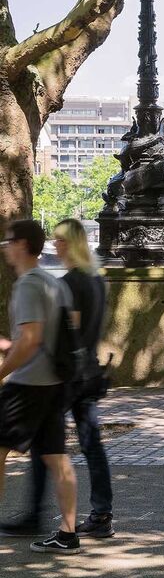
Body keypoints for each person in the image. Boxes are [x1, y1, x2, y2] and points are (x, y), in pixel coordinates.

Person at [0, 220, 114, 540]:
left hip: (59, 375)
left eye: (61, 241)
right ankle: (92, 516)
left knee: (43, 449)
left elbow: (51, 334)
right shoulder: (93, 281)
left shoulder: (67, 282)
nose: (57, 246)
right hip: (82, 370)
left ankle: (37, 515)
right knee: (73, 447)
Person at [0, 220, 81, 553]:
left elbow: (31, 339)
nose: (5, 248)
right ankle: (68, 533)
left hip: (26, 384)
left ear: (21, 244)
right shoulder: (54, 283)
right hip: (54, 382)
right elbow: (63, 329)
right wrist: (10, 344)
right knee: (56, 457)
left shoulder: (30, 284)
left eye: (7, 242)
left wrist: (3, 370)